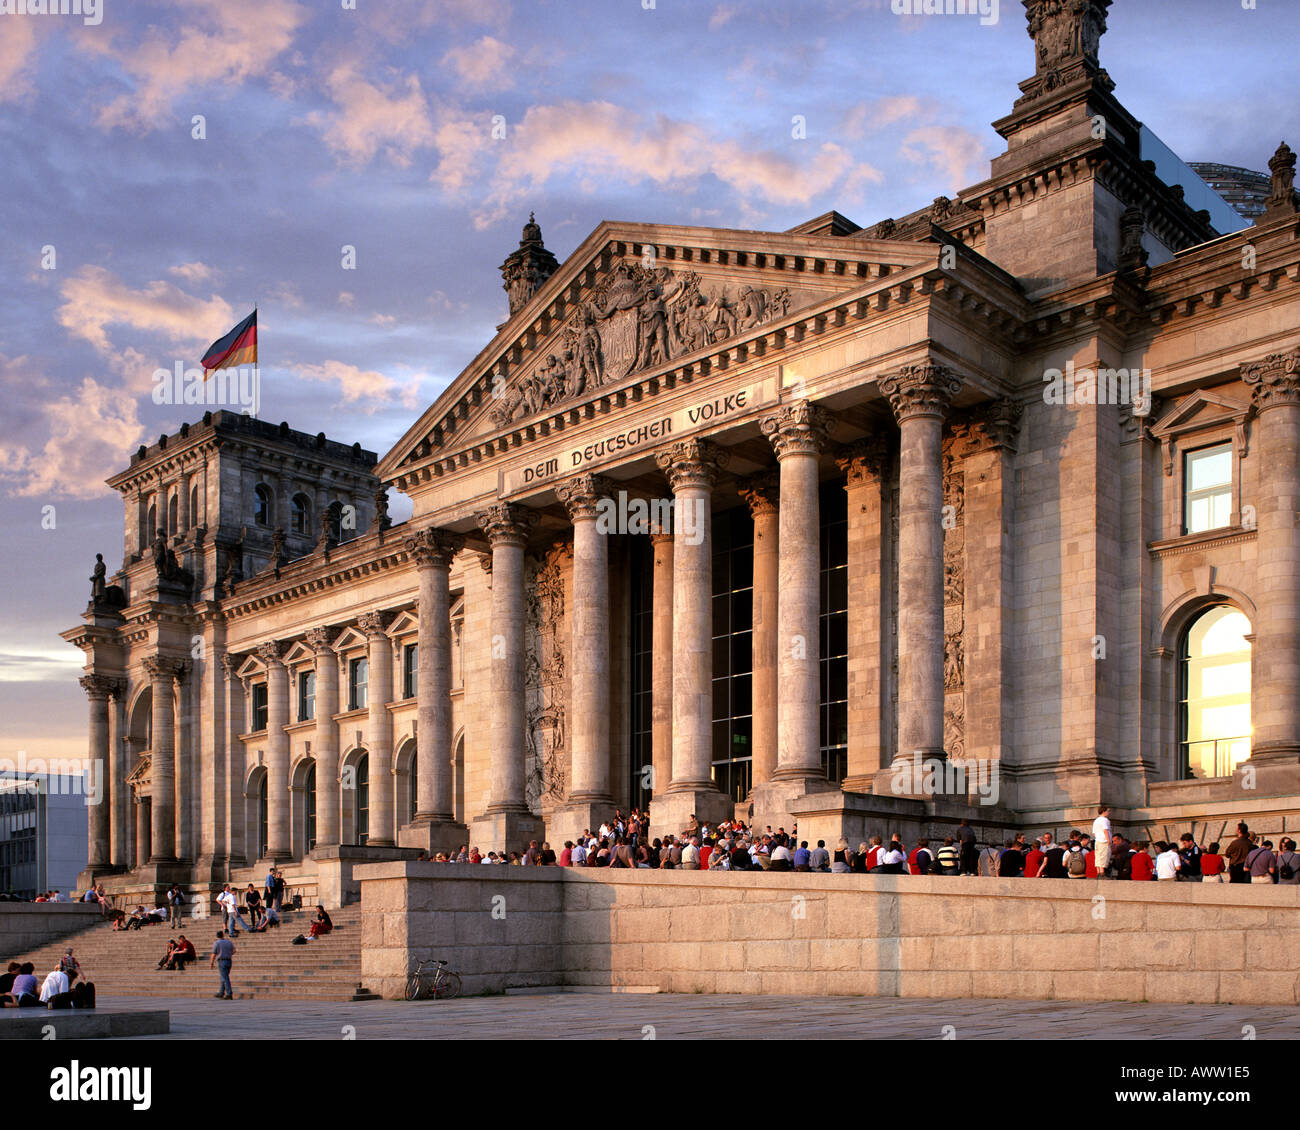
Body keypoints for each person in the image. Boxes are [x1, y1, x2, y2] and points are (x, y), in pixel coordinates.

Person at [211, 930, 235, 1000]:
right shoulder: (229, 942)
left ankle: (229, 993)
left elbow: (213, 954)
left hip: (221, 961)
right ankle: (221, 992)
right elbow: (234, 950)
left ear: (217, 936)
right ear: (223, 935)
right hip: (229, 961)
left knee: (225, 978)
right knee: (224, 977)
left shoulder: (216, 943)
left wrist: (211, 963)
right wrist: (229, 954)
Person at [1091, 806, 1112, 878]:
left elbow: (1094, 833)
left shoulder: (1096, 820)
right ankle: (1102, 873)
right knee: (1104, 856)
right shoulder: (1105, 820)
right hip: (1104, 840)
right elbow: (1105, 830)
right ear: (1104, 811)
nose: (1109, 813)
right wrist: (1109, 839)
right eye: (1108, 811)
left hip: (1097, 840)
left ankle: (1098, 871)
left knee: (1098, 856)